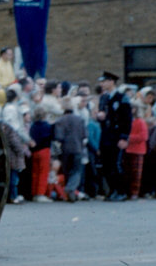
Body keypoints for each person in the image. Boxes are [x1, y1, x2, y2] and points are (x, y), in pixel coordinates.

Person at [96, 71, 132, 200]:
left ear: (111, 82)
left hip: (117, 135)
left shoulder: (122, 97)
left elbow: (127, 119)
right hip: (106, 135)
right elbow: (102, 115)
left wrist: (124, 137)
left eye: (104, 81)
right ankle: (112, 190)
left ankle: (121, 191)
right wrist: (100, 117)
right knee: (106, 165)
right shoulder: (103, 97)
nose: (102, 84)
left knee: (116, 164)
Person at [53, 97, 88, 202]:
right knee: (76, 171)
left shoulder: (60, 120)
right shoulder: (79, 119)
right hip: (77, 148)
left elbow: (58, 137)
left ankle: (69, 193)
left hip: (65, 149)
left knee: (67, 171)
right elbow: (84, 135)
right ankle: (71, 189)